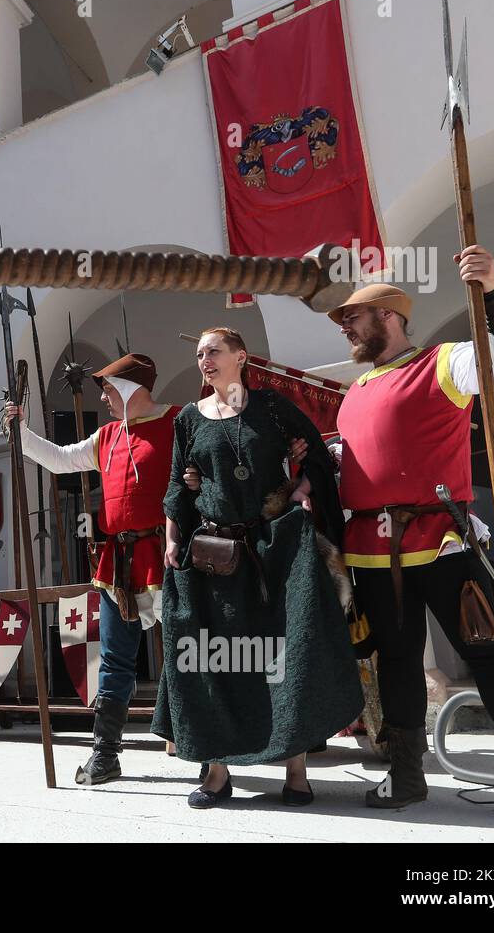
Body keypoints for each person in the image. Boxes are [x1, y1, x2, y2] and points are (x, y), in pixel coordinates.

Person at [303, 245, 494, 830]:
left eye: (353, 317)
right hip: (373, 552)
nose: (346, 328)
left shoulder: (444, 362)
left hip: (446, 540)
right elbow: (360, 462)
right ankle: (405, 777)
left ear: (390, 317)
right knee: (397, 663)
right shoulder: (354, 393)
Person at [153, 327, 363, 808]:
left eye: (214, 351)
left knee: (287, 655)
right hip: (214, 552)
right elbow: (175, 486)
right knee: (214, 657)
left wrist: (300, 493)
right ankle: (217, 773)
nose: (204, 359)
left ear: (240, 357)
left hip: (274, 548)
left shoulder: (271, 407)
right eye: (199, 353)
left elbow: (318, 459)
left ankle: (296, 773)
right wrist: (170, 538)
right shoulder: (188, 418)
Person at [5, 353, 181, 785]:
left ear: (128, 388)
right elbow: (61, 458)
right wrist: (22, 431)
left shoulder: (181, 422)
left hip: (170, 556)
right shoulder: (105, 437)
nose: (103, 398)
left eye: (107, 389)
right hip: (118, 562)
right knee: (116, 659)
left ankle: (201, 748)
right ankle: (106, 754)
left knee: (186, 652)